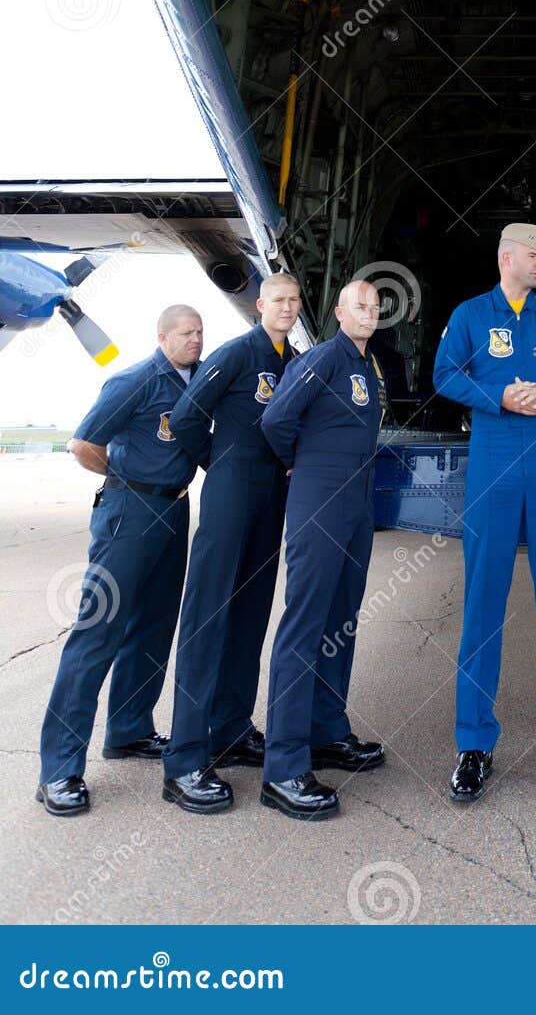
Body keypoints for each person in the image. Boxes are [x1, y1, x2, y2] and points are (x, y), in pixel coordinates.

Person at [433, 223, 536, 805]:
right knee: (482, 603)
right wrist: (497, 397)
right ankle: (473, 743)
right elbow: (444, 374)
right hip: (494, 460)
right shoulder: (472, 314)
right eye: (534, 255)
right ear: (507, 258)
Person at [37, 305, 204, 816]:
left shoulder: (196, 381)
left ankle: (129, 731)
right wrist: (127, 478)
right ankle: (59, 771)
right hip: (130, 512)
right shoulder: (134, 380)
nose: (195, 340)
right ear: (162, 337)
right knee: (98, 631)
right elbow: (83, 443)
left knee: (154, 627)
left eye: (200, 332)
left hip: (175, 510)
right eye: (186, 333)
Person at [161, 274, 302, 813]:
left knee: (249, 614)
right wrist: (218, 465)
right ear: (260, 304)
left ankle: (231, 729)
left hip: (271, 501)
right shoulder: (237, 353)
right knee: (207, 617)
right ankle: (185, 759)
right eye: (278, 300)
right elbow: (186, 416)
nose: (287, 308)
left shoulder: (293, 361)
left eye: (294, 301)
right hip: (228, 496)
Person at [257, 279, 387, 820]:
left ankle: (327, 732)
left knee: (342, 619)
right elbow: (276, 418)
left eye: (376, 307)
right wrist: (302, 463)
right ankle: (284, 766)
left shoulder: (366, 366)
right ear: (338, 312)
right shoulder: (323, 358)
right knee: (306, 622)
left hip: (357, 500)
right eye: (360, 305)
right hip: (321, 495)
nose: (369, 314)